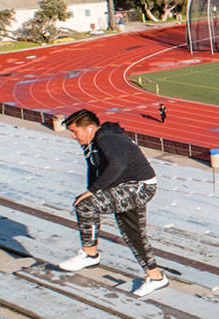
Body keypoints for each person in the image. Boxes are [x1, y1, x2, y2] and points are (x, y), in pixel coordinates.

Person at [56, 109, 168, 297]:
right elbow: (93, 170)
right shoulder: (89, 144)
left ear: (90, 128)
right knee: (132, 233)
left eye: (75, 132)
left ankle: (90, 254)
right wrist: (89, 191)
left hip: (139, 186)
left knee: (86, 206)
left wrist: (92, 193)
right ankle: (156, 277)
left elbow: (118, 165)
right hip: (123, 187)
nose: (73, 136)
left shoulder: (107, 138)